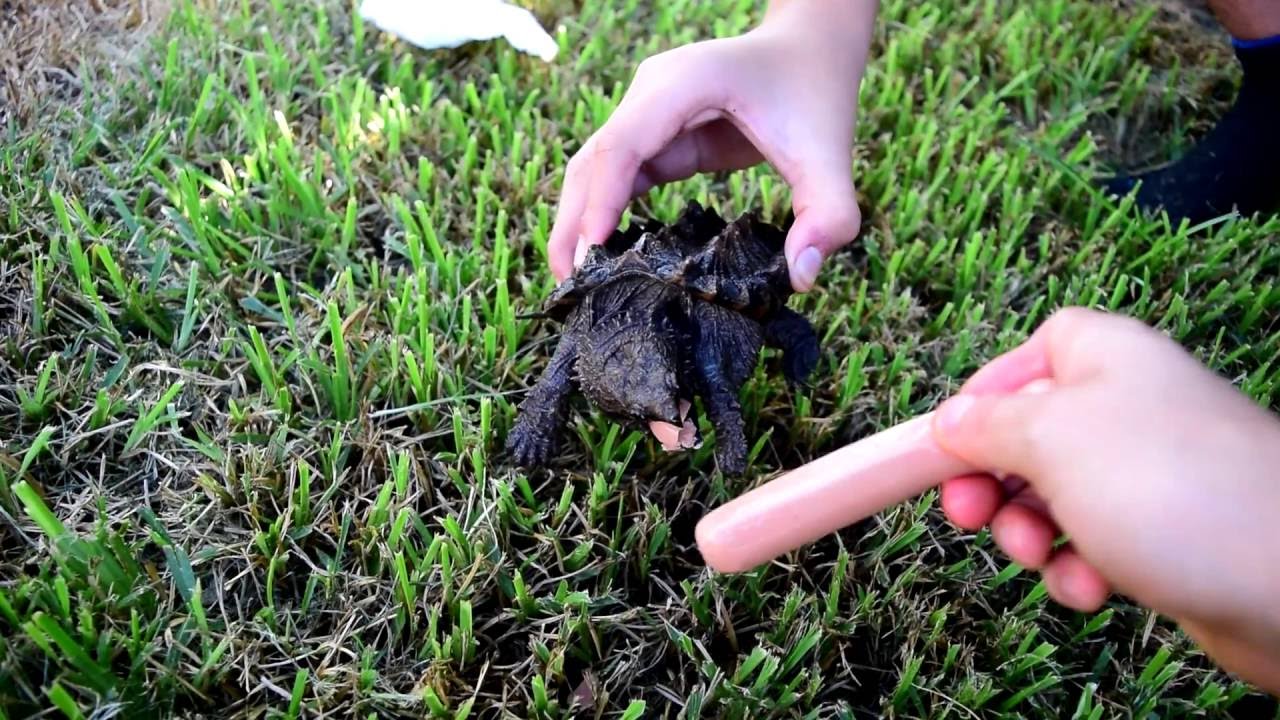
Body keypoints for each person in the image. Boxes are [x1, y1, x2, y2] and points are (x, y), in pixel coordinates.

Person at [542, 0, 1280, 695]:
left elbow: (712, 382)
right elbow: (563, 369)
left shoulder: (698, 343)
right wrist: (810, 35)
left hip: (712, 294)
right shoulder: (590, 334)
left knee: (754, 344)